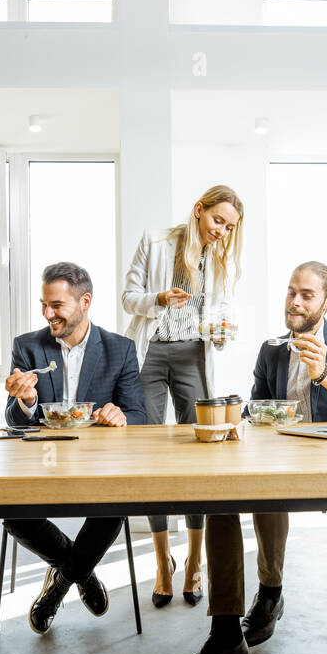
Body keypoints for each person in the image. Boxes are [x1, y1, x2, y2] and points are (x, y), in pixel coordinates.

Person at [163, 261, 327, 654]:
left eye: (306, 295)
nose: (294, 301)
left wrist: (326, 376)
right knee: (219, 495)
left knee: (268, 487)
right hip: (281, 455)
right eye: (291, 292)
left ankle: (270, 592)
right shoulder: (271, 349)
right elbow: (259, 410)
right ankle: (224, 634)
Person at [4, 261, 148, 634]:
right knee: (11, 512)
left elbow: (140, 415)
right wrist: (27, 400)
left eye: (57, 305)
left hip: (98, 462)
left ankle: (58, 586)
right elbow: (15, 421)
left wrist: (121, 415)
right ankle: (81, 573)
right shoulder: (28, 346)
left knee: (116, 503)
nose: (48, 314)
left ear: (85, 301)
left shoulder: (120, 349)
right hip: (42, 459)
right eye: (44, 305)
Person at [122, 184, 245, 607]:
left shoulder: (222, 258)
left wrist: (224, 331)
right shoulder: (155, 242)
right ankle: (162, 562)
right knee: (149, 454)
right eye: (217, 221)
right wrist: (158, 298)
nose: (222, 232)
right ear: (199, 211)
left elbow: (222, 311)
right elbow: (128, 298)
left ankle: (194, 560)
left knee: (200, 454)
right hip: (151, 354)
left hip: (195, 354)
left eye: (229, 227)